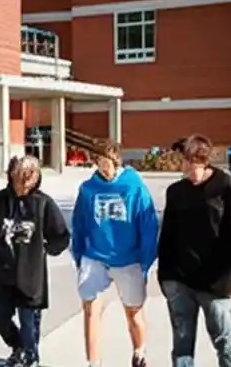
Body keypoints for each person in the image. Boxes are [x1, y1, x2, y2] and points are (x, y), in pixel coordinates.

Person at [158, 135, 231, 367]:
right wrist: (165, 277)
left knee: (224, 341)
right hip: (180, 280)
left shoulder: (227, 188)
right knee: (182, 345)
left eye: (192, 162)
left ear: (203, 161)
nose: (187, 168)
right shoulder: (176, 192)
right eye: (184, 162)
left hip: (216, 281)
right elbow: (167, 235)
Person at [71, 139, 159, 367]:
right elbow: (79, 224)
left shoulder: (133, 186)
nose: (103, 166)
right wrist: (80, 256)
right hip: (96, 256)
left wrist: (145, 261)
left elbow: (148, 224)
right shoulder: (88, 189)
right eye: (99, 161)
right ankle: (94, 362)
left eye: (107, 161)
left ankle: (139, 352)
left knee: (133, 311)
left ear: (116, 161)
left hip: (127, 258)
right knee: (91, 308)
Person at [0, 155, 71, 367]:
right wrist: (0, 242)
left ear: (35, 178)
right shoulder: (0, 200)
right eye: (19, 177)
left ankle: (31, 356)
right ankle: (18, 346)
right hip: (3, 271)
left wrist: (45, 249)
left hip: (31, 273)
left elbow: (61, 236)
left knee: (29, 321)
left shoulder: (43, 204)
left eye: (27, 177)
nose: (22, 182)